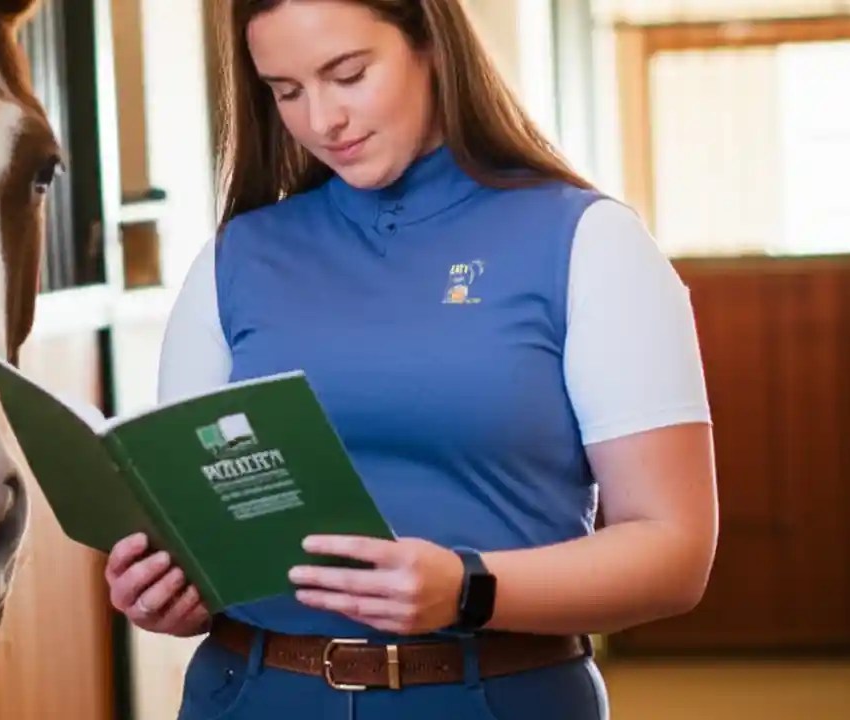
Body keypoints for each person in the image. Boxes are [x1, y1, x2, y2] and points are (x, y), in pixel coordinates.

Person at [102, 0, 718, 718]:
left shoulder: (590, 242)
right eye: (287, 91)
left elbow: (674, 554)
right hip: (248, 695)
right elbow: (199, 523)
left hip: (497, 697)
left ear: (431, 43)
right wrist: (166, 591)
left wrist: (469, 585)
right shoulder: (233, 260)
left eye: (349, 74)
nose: (322, 120)